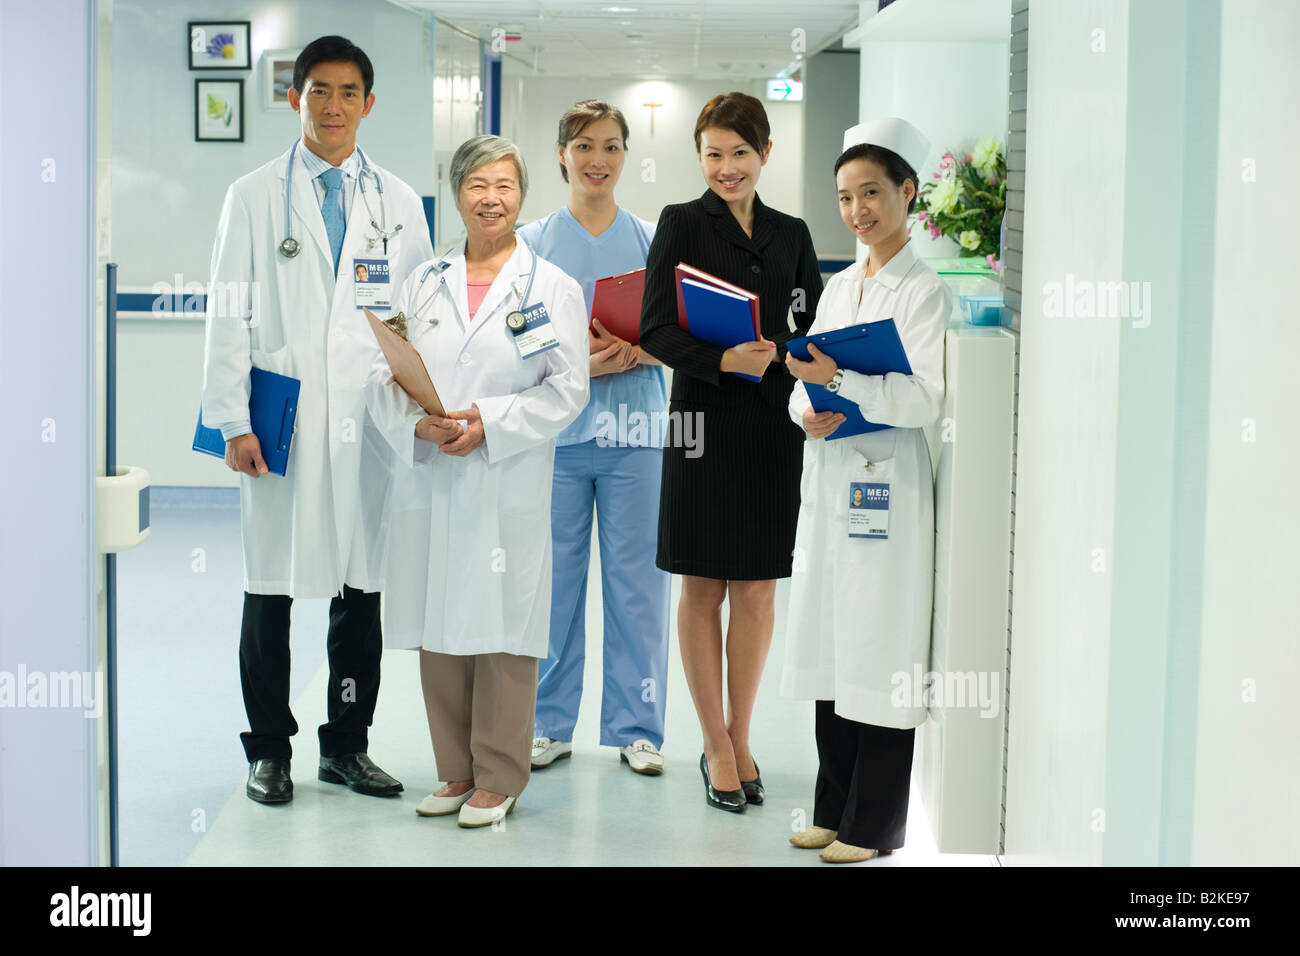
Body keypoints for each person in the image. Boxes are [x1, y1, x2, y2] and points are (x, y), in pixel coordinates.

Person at [201, 35, 433, 805]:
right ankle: (269, 749)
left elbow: (416, 318)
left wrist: (420, 409)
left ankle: (346, 744)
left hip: (368, 422)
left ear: (369, 104)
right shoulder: (254, 194)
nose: (332, 107)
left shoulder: (397, 202)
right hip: (283, 423)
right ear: (294, 99)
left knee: (358, 589)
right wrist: (232, 418)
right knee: (269, 585)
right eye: (317, 92)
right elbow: (228, 312)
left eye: (347, 93)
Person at [364, 135, 588, 828]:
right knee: (441, 623)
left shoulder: (549, 287)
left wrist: (489, 422)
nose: (491, 198)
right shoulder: (423, 280)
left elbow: (568, 389)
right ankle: (455, 769)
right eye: (477, 186)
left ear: (522, 196)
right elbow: (384, 374)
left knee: (502, 629)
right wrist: (416, 424)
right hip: (435, 478)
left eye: (505, 187)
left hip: (504, 479)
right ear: (457, 193)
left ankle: (499, 772)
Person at [639, 92, 823, 813]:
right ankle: (713, 742)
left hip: (772, 423)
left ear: (765, 155)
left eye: (739, 153)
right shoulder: (682, 223)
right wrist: (724, 362)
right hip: (700, 423)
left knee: (755, 587)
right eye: (713, 154)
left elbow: (810, 324)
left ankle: (741, 737)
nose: (725, 167)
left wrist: (786, 357)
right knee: (702, 585)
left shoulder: (793, 232)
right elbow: (656, 329)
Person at [782, 118, 950, 862]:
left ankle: (875, 826)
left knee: (881, 647)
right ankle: (830, 806)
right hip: (834, 480)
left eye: (873, 193)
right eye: (846, 197)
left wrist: (842, 381)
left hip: (888, 487)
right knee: (833, 642)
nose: (859, 211)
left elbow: (923, 401)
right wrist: (809, 408)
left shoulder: (925, 292)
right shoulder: (841, 285)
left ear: (907, 193)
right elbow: (800, 381)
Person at [516, 100, 671, 778]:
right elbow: (512, 336)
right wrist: (577, 358)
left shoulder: (651, 239)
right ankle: (548, 725)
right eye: (583, 145)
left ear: (625, 156)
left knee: (639, 586)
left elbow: (684, 334)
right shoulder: (531, 241)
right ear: (561, 153)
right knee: (554, 586)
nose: (597, 159)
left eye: (610, 146)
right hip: (557, 438)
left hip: (635, 433)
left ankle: (637, 729)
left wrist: (647, 352)